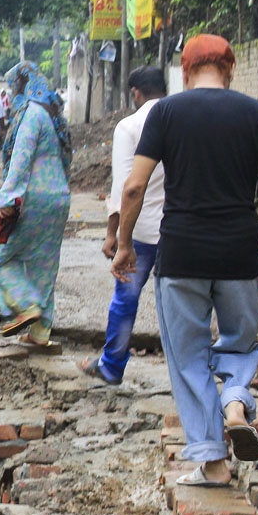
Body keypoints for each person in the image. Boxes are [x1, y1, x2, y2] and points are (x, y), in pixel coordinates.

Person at [113, 34, 258, 487]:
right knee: (240, 344)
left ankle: (212, 462)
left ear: (184, 72)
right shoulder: (255, 113)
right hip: (240, 253)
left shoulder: (165, 112)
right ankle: (236, 402)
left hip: (181, 253)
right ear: (230, 69)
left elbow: (134, 187)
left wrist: (125, 244)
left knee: (188, 359)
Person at [79, 66, 167, 385]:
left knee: (126, 300)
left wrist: (113, 235)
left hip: (139, 231)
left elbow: (124, 187)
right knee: (181, 304)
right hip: (178, 230)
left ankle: (112, 366)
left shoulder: (129, 126)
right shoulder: (182, 118)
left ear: (135, 92)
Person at [0, 61, 73, 345]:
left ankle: (25, 305)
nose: (12, 92)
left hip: (34, 197)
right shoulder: (54, 114)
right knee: (44, 264)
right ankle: (40, 332)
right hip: (59, 197)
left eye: (14, 86)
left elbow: (21, 158)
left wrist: (7, 198)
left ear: (21, 85)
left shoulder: (31, 114)